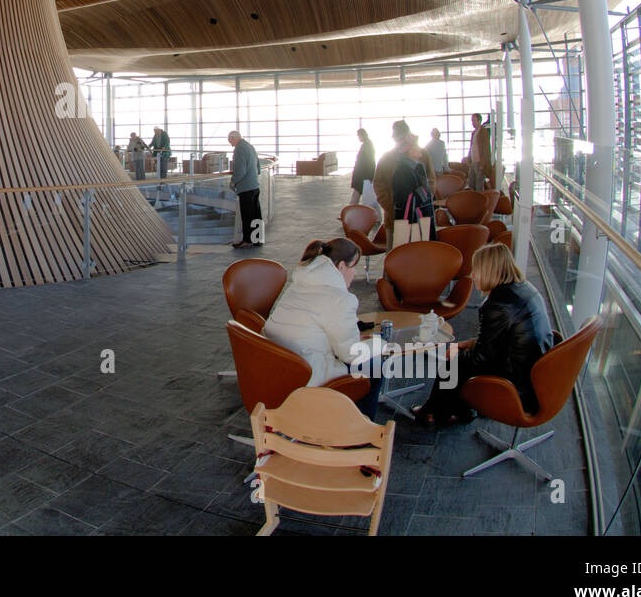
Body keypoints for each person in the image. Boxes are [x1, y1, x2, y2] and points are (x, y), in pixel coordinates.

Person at [413, 243, 554, 427]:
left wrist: (458, 354)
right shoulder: (524, 289)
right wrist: (466, 344)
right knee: (459, 357)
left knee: (454, 364)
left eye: (476, 270)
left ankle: (433, 413)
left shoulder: (496, 305)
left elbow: (480, 360)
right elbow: (501, 339)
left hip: (516, 386)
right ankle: (460, 410)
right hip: (534, 374)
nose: (472, 275)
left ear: (488, 271)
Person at [261, 238, 383, 419]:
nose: (355, 272)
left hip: (277, 371)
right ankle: (359, 431)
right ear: (341, 267)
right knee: (375, 364)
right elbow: (351, 354)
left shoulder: (298, 285)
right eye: (353, 266)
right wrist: (381, 344)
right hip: (309, 377)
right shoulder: (340, 299)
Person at [373, 120, 434, 249]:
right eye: (398, 139)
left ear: (408, 136)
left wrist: (423, 202)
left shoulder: (421, 155)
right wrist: (392, 206)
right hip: (395, 218)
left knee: (418, 255)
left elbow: (431, 180)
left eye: (403, 138)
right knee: (394, 257)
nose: (401, 143)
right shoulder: (387, 158)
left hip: (419, 217)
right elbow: (379, 184)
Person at [228, 130, 262, 248]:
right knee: (256, 213)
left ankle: (247, 240)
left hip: (246, 187)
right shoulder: (249, 146)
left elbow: (240, 170)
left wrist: (233, 181)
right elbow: (258, 165)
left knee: (247, 215)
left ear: (234, 138)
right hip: (255, 185)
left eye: (230, 140)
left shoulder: (239, 149)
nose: (230, 143)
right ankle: (258, 239)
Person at [349, 128, 375, 206]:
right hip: (363, 176)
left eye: (359, 136)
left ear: (362, 135)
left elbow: (369, 161)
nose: (358, 138)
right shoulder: (367, 144)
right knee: (357, 195)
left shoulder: (366, 146)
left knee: (356, 195)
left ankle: (350, 212)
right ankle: (350, 211)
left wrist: (370, 176)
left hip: (362, 176)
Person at [468, 112, 493, 190]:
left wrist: (483, 163)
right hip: (474, 161)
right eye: (472, 121)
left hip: (479, 162)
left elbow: (486, 149)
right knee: (471, 182)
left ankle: (480, 200)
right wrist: (469, 157)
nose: (472, 123)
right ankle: (474, 199)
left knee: (479, 184)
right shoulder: (474, 132)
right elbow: (472, 147)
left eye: (474, 121)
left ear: (479, 121)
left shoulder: (483, 133)